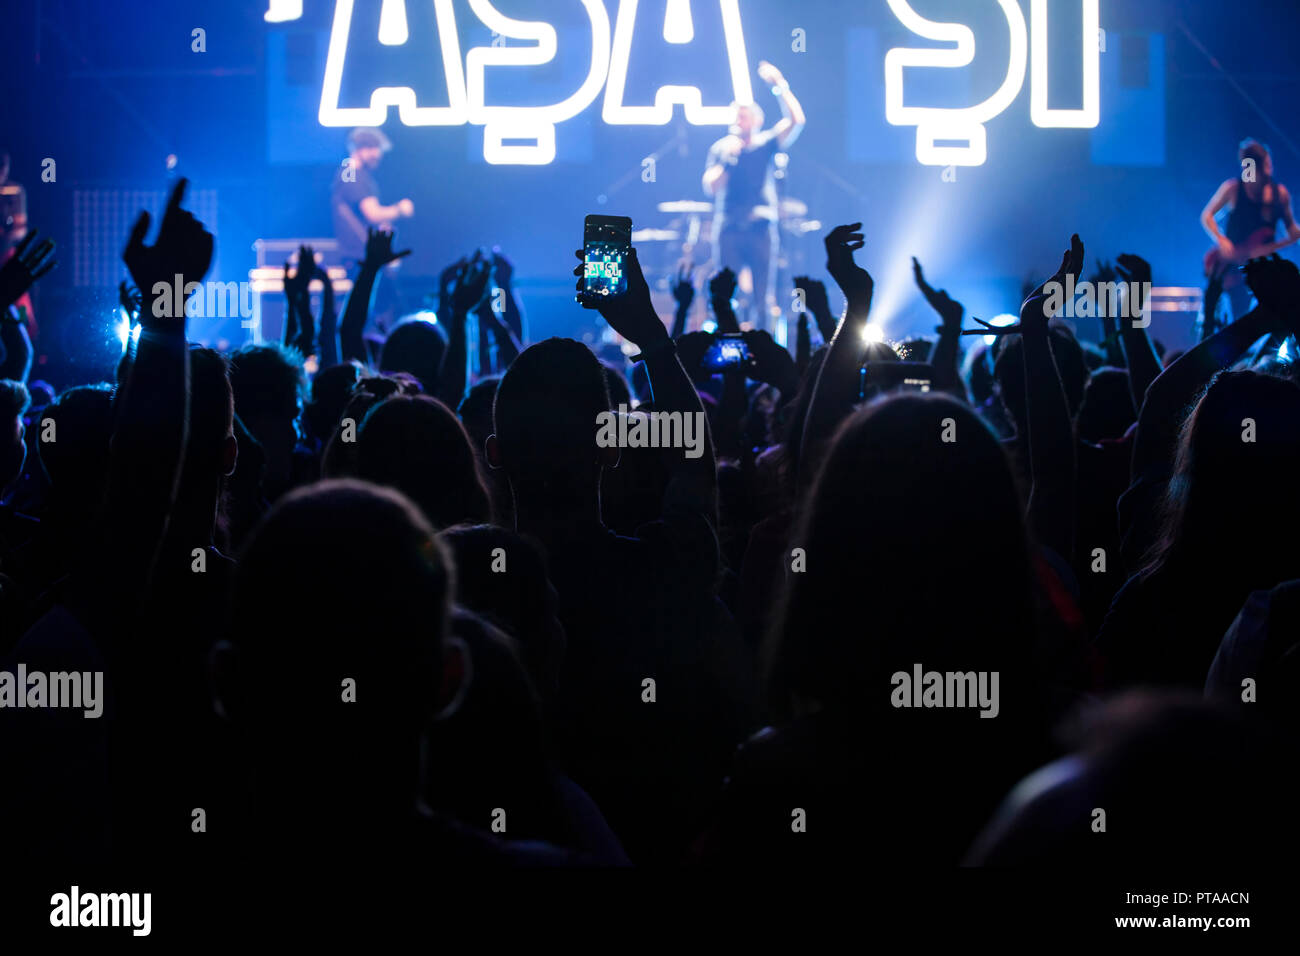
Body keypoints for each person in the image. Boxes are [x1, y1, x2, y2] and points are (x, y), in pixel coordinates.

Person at [702, 61, 805, 329]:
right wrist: (727, 160)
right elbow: (710, 186)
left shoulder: (766, 144)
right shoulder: (722, 148)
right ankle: (727, 341)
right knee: (726, 292)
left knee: (762, 294)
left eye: (744, 116)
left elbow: (796, 121)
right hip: (730, 228)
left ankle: (763, 348)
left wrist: (779, 86)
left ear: (757, 121)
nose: (739, 120)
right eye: (736, 116)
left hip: (760, 227)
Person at [1200, 138, 1300, 321]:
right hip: (1232, 265)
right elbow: (1207, 216)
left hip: (1263, 265)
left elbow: (1292, 231)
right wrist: (1221, 239)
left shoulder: (1280, 195)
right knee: (1221, 307)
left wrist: (1272, 247)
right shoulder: (1232, 189)